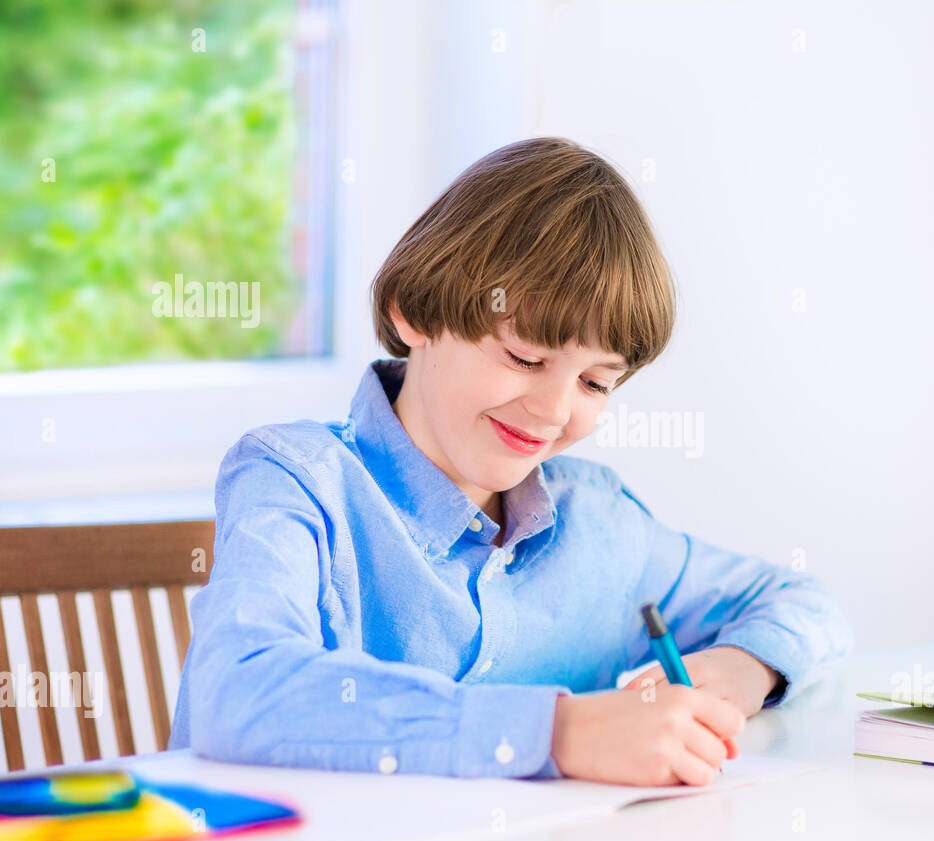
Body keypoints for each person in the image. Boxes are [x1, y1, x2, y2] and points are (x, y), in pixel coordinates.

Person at [170, 137, 853, 786]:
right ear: (413, 311)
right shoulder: (296, 479)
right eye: (526, 358)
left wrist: (742, 667)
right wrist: (556, 732)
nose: (556, 410)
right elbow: (239, 689)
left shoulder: (600, 525)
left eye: (595, 384)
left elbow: (801, 601)